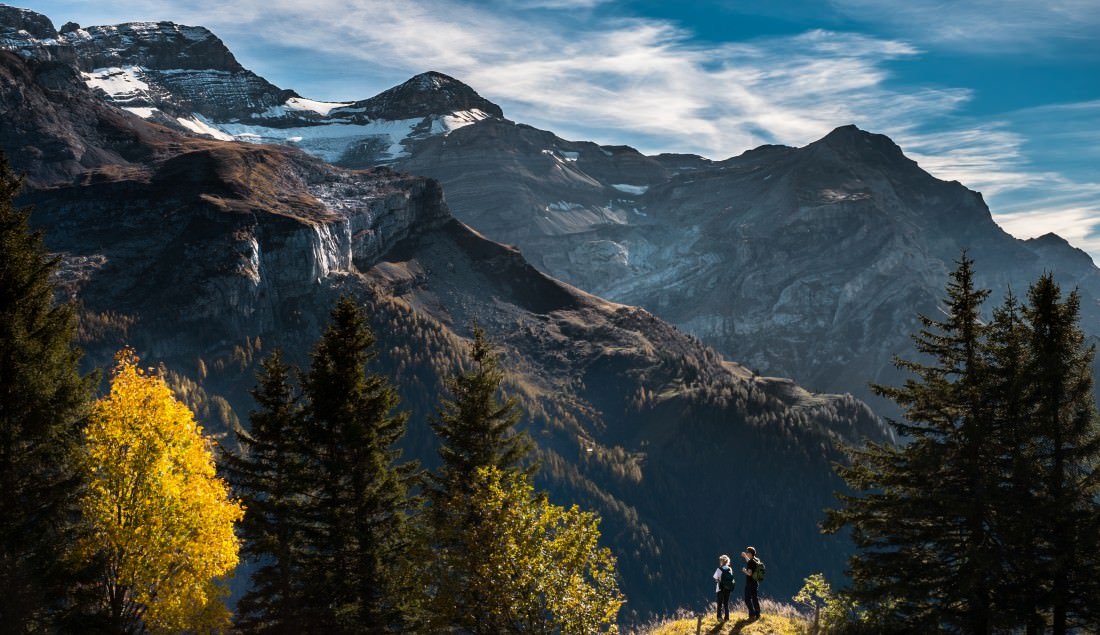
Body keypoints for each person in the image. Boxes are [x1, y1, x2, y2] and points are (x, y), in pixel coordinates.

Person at [712, 554, 735, 621]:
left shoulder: (719, 569)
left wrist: (719, 580)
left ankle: (719, 617)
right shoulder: (729, 569)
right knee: (726, 603)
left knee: (719, 604)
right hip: (728, 588)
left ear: (721, 561)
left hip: (720, 588)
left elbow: (715, 578)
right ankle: (727, 618)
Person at [741, 547, 762, 620]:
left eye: (747, 552)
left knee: (747, 599)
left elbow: (749, 573)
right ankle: (758, 614)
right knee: (754, 599)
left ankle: (752, 614)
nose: (746, 553)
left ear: (750, 553)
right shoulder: (756, 560)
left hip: (749, 583)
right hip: (755, 583)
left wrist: (744, 571)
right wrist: (745, 557)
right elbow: (750, 562)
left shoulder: (750, 562)